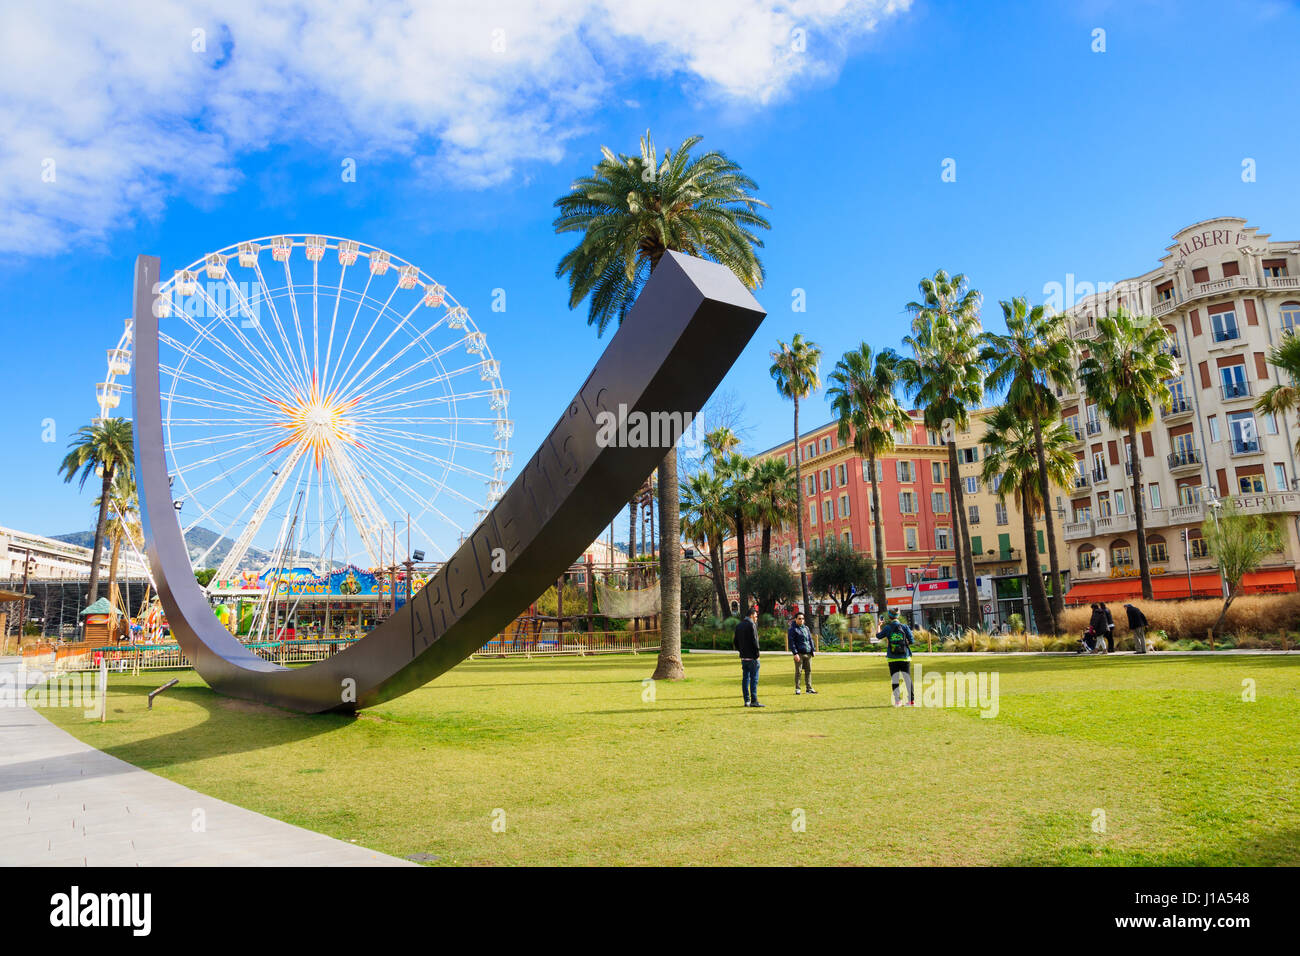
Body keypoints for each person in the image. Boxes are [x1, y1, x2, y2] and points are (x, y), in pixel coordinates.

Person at [877, 609, 915, 706]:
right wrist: (904, 644)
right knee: (907, 679)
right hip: (905, 657)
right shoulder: (904, 627)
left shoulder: (887, 628)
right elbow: (912, 641)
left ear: (889, 617)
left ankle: (898, 701)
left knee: (895, 679)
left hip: (892, 657)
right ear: (898, 616)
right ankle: (911, 701)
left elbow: (878, 636)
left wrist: (879, 625)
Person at [733, 604, 763, 707]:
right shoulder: (751, 625)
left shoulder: (739, 625)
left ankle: (747, 701)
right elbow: (755, 640)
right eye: (755, 616)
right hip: (752, 658)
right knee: (754, 679)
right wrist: (757, 654)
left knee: (745, 679)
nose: (756, 618)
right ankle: (754, 700)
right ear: (751, 615)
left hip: (744, 657)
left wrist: (741, 652)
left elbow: (735, 641)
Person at [786, 611, 816, 695]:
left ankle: (809, 688)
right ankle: (797, 688)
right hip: (799, 653)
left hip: (808, 652)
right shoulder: (792, 629)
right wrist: (795, 653)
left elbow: (810, 639)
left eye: (803, 619)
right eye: (799, 619)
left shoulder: (806, 628)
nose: (801, 620)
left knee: (808, 671)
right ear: (795, 619)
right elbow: (791, 642)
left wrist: (812, 650)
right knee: (798, 672)